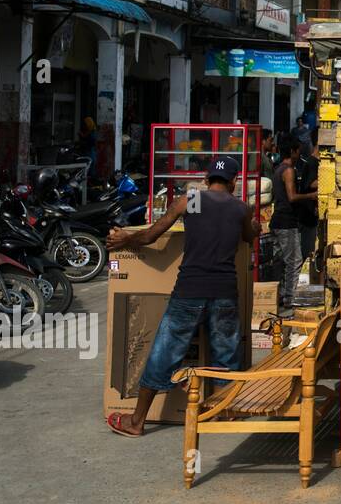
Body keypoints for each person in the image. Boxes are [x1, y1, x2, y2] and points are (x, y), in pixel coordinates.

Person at [104, 155, 259, 437]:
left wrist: (125, 238)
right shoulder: (240, 208)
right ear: (234, 182)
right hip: (224, 292)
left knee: (165, 353)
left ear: (206, 180)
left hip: (189, 290)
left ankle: (137, 421)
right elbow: (250, 236)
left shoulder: (191, 200)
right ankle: (224, 414)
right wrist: (255, 227)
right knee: (226, 355)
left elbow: (151, 236)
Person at [270, 134, 316, 310]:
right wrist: (311, 195)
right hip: (286, 222)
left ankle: (280, 294)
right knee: (295, 261)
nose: (299, 154)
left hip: (278, 221)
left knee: (281, 261)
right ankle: (290, 298)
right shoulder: (288, 170)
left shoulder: (278, 169)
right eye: (298, 151)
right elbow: (292, 196)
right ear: (292, 151)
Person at [295, 141, 320, 266]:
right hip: (307, 214)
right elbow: (310, 184)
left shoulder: (314, 162)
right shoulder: (312, 163)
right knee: (308, 249)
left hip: (310, 213)